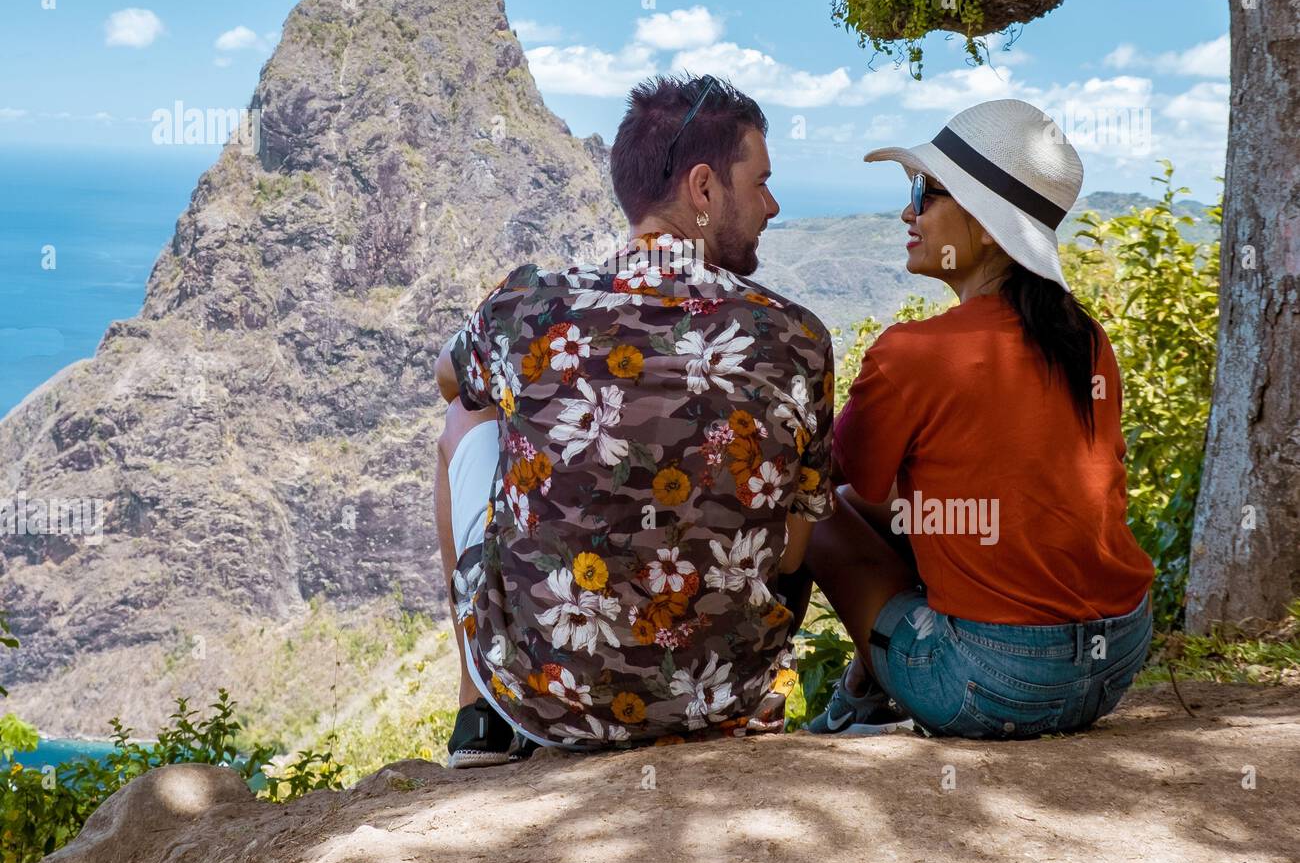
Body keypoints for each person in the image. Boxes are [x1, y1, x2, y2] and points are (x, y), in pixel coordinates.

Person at [432, 73, 836, 765]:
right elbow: (796, 552)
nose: (772, 205)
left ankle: (479, 716)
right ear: (704, 190)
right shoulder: (796, 335)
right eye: (761, 181)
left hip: (547, 701)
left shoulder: (527, 308)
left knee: (463, 428)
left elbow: (448, 378)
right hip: (725, 696)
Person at [804, 97, 1155, 739]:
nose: (908, 211)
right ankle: (863, 678)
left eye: (926, 192)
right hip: (1117, 656)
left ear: (990, 226)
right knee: (912, 507)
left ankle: (867, 680)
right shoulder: (1084, 338)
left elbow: (823, 480)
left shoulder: (914, 352)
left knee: (821, 513)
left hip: (997, 684)